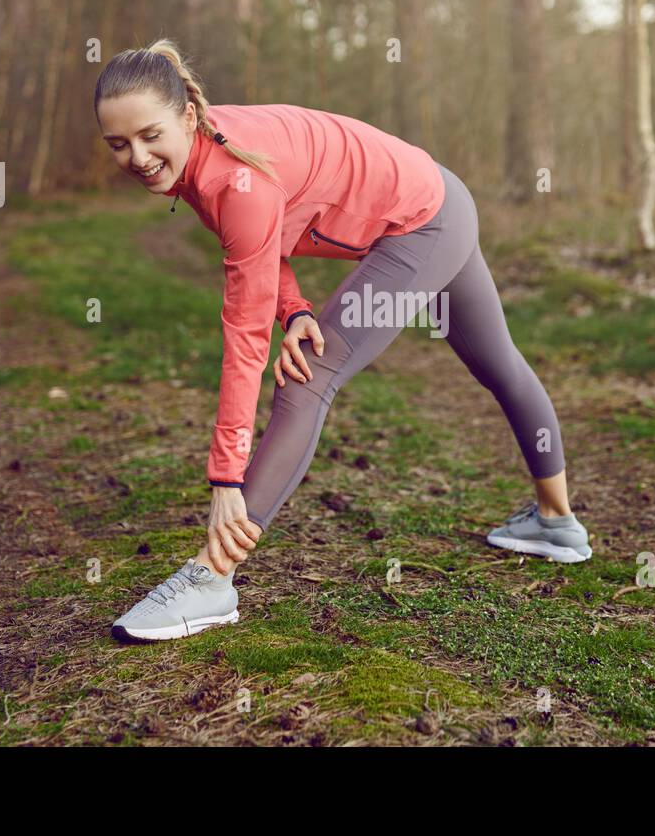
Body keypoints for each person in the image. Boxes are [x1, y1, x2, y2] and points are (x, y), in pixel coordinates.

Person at [95, 39, 592, 642]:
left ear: (188, 117)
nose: (138, 157)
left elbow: (244, 338)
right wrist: (297, 308)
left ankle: (211, 577)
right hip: (441, 197)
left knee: (308, 380)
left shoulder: (231, 179)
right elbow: (263, 243)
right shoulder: (210, 151)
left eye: (150, 136)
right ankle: (555, 521)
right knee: (497, 362)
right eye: (118, 144)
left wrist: (227, 479)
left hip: (424, 221)